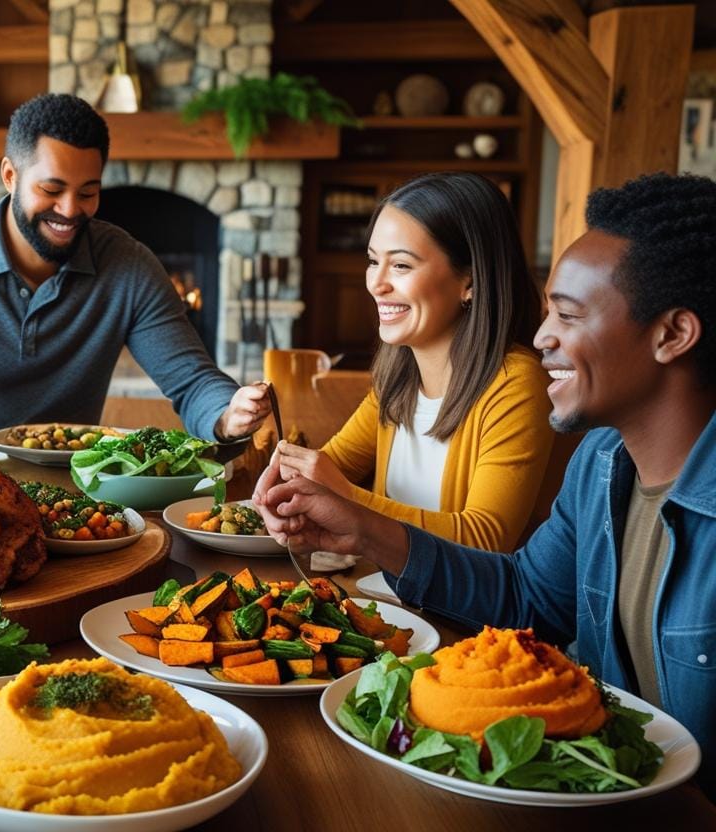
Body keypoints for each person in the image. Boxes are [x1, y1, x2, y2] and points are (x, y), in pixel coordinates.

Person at [257, 173, 716, 784]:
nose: (543, 336)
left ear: (673, 335)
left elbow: (490, 539)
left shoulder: (519, 387)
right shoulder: (601, 462)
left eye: (569, 316)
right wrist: (360, 529)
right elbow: (526, 598)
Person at [0, 93, 270, 444]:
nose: (70, 210)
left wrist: (227, 413)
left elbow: (193, 381)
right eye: (52, 189)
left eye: (88, 192)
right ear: (10, 176)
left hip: (66, 483)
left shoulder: (129, 265)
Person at [258, 173, 554, 551]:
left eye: (401, 266)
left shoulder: (516, 384)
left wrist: (346, 498)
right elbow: (332, 467)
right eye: (372, 261)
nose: (375, 284)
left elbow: (484, 542)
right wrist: (282, 487)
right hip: (384, 596)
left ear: (470, 282)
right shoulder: (398, 378)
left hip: (464, 612)